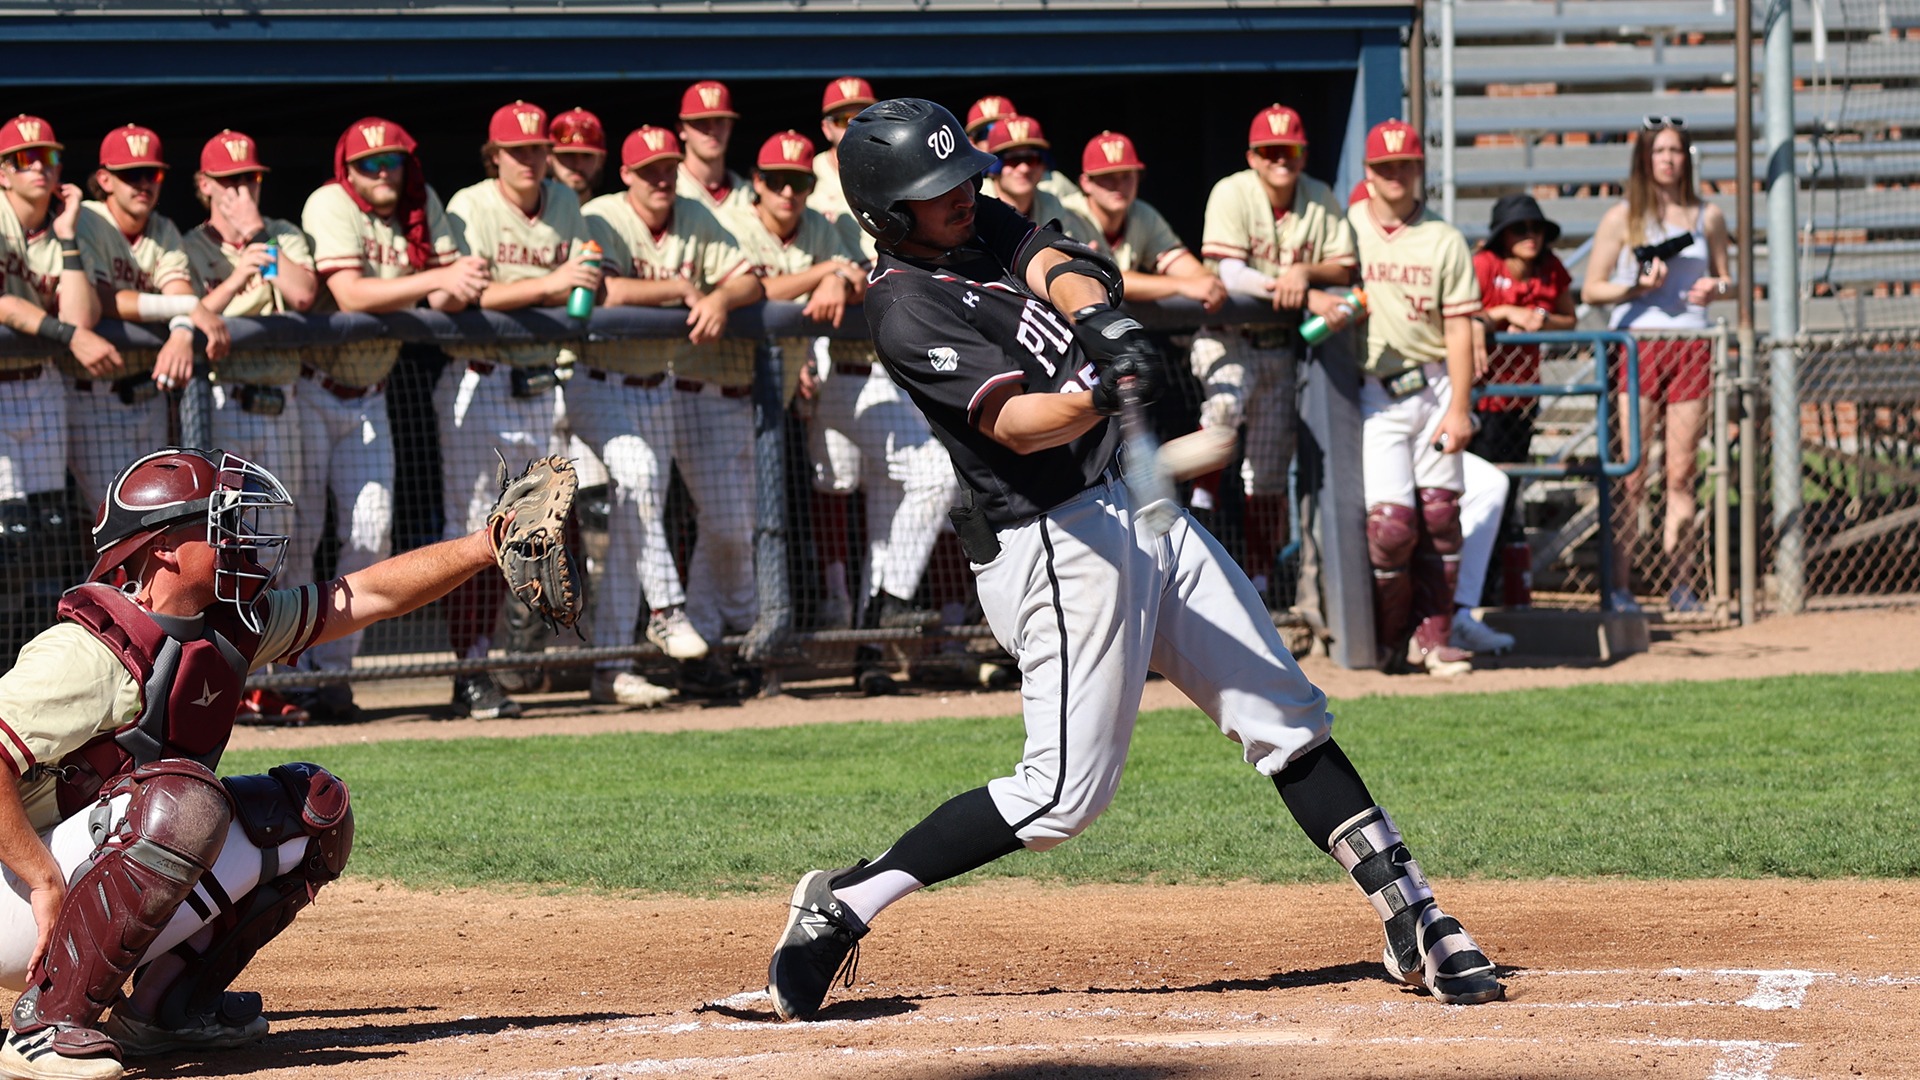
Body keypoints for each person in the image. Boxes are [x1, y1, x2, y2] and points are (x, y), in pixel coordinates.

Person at [765, 98, 1501, 1022]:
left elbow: (1051, 260)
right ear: (886, 213)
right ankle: (846, 901)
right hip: (1055, 541)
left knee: (1285, 714)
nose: (963, 194)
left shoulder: (974, 221)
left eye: (962, 177)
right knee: (1059, 799)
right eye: (936, 189)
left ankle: (1414, 913)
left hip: (1130, 501)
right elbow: (1014, 424)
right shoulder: (903, 306)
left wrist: (1103, 328)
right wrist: (1092, 393)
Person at [0, 445, 509, 1079]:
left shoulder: (225, 628)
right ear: (162, 547)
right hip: (17, 888)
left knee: (311, 812)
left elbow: (366, 595)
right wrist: (43, 880)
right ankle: (44, 1025)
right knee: (184, 803)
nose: (241, 539)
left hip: (76, 867)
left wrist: (488, 546)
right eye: (221, 525)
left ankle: (165, 1012)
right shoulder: (87, 650)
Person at [732, 132, 956, 689]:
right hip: (843, 374)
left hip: (889, 377)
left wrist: (842, 274)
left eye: (797, 182)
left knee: (891, 520)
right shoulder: (815, 203)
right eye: (839, 118)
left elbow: (858, 272)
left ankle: (873, 645)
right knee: (926, 476)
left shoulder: (886, 197)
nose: (789, 190)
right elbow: (779, 283)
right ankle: (876, 610)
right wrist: (832, 274)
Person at [295, 117, 488, 722]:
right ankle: (285, 678)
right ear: (348, 171)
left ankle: (334, 675)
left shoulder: (420, 203)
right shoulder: (330, 202)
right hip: (310, 388)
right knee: (299, 535)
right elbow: (351, 293)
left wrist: (457, 282)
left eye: (393, 162)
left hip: (371, 391)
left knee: (372, 529)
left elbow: (448, 297)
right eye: (370, 164)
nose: (384, 172)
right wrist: (437, 277)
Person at [580, 125, 761, 702]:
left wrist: (716, 298)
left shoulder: (692, 214)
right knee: (636, 477)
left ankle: (609, 667)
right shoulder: (600, 215)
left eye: (667, 168)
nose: (661, 178)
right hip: (596, 381)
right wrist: (679, 288)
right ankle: (667, 608)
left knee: (637, 516)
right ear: (627, 175)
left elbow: (750, 280)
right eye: (648, 170)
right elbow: (598, 291)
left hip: (657, 383)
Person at [440, 101, 603, 719]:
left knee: (544, 529)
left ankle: (521, 658)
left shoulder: (563, 202)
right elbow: (472, 300)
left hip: (541, 385)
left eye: (537, 148)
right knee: (476, 535)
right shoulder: (469, 205)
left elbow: (581, 281)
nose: (530, 160)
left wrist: (562, 284)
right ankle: (469, 669)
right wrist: (552, 285)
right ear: (495, 156)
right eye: (517, 151)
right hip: (479, 381)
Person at [181, 130, 322, 725]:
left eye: (251, 179)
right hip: (223, 403)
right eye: (231, 181)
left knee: (286, 546)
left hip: (281, 401)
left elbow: (305, 293)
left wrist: (261, 236)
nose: (242, 190)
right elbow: (195, 315)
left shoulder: (282, 234)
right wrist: (238, 273)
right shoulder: (187, 244)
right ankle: (220, 680)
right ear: (206, 187)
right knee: (225, 551)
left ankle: (271, 676)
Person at [1193, 104, 1357, 600]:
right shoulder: (1233, 190)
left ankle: (1261, 580)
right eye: (1270, 151)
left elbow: (1344, 269)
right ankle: (1196, 537)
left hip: (1278, 347)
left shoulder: (1320, 197)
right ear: (1254, 156)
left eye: (1290, 150)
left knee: (1266, 471)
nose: (1281, 159)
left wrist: (1305, 273)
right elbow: (1228, 273)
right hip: (1228, 337)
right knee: (1222, 410)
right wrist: (1302, 293)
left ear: (1303, 154)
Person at [1347, 120, 1485, 677]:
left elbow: (1460, 330)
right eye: (1384, 167)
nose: (1395, 175)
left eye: (1404, 164)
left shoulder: (1443, 238)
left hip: (1433, 383)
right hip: (1375, 390)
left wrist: (1460, 406)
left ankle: (1435, 640)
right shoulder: (1348, 227)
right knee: (1391, 528)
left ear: (1419, 169)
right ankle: (1387, 642)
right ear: (1368, 174)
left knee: (1441, 516)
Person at [1581, 117, 1731, 614]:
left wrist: (1717, 286)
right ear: (1645, 158)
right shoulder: (1622, 217)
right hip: (1638, 344)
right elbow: (1591, 288)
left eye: (1676, 150)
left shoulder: (1707, 215)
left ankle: (1681, 584)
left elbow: (1729, 277)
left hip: (1689, 342)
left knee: (1682, 472)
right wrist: (1637, 288)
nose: (1668, 158)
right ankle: (1621, 586)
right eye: (1659, 150)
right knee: (1633, 473)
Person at [0, 115, 123, 651]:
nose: (41, 169)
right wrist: (66, 335)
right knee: (10, 537)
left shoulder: (64, 228)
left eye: (49, 158)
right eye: (26, 159)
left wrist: (70, 236)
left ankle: (33, 659)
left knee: (48, 529)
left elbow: (80, 314)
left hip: (42, 382)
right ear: (4, 172)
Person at [73, 125, 230, 512]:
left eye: (152, 174)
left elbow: (176, 290)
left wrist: (180, 332)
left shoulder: (162, 228)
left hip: (147, 397)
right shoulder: (87, 219)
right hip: (91, 392)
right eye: (131, 174)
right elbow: (100, 300)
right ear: (105, 179)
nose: (144, 184)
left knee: (154, 519)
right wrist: (188, 309)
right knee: (106, 519)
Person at [1455, 193, 1577, 652]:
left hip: (1521, 402)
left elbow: (1569, 318)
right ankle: (1469, 597)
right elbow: (1462, 314)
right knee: (1480, 494)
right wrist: (1503, 314)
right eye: (1520, 229)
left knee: (1508, 497)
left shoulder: (1551, 268)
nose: (1530, 237)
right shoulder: (1483, 264)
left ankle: (1486, 595)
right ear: (1502, 234)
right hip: (1481, 398)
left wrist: (1540, 318)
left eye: (1536, 229)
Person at [981, 115, 1099, 247]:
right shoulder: (977, 201)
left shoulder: (1052, 204)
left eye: (1031, 159)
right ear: (994, 166)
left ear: (1043, 164)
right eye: (1013, 160)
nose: (1024, 168)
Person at [809, 76, 879, 259]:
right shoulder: (807, 174)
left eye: (863, 117)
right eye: (842, 120)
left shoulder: (897, 168)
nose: (852, 126)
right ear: (826, 128)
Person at [675, 80, 753, 219]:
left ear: (730, 126)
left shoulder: (750, 195)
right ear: (681, 129)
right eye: (700, 121)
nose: (712, 130)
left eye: (719, 120)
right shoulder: (668, 190)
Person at [546, 107, 607, 205]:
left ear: (601, 160)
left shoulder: (609, 216)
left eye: (587, 155)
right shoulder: (532, 214)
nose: (577, 165)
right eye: (568, 154)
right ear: (548, 157)